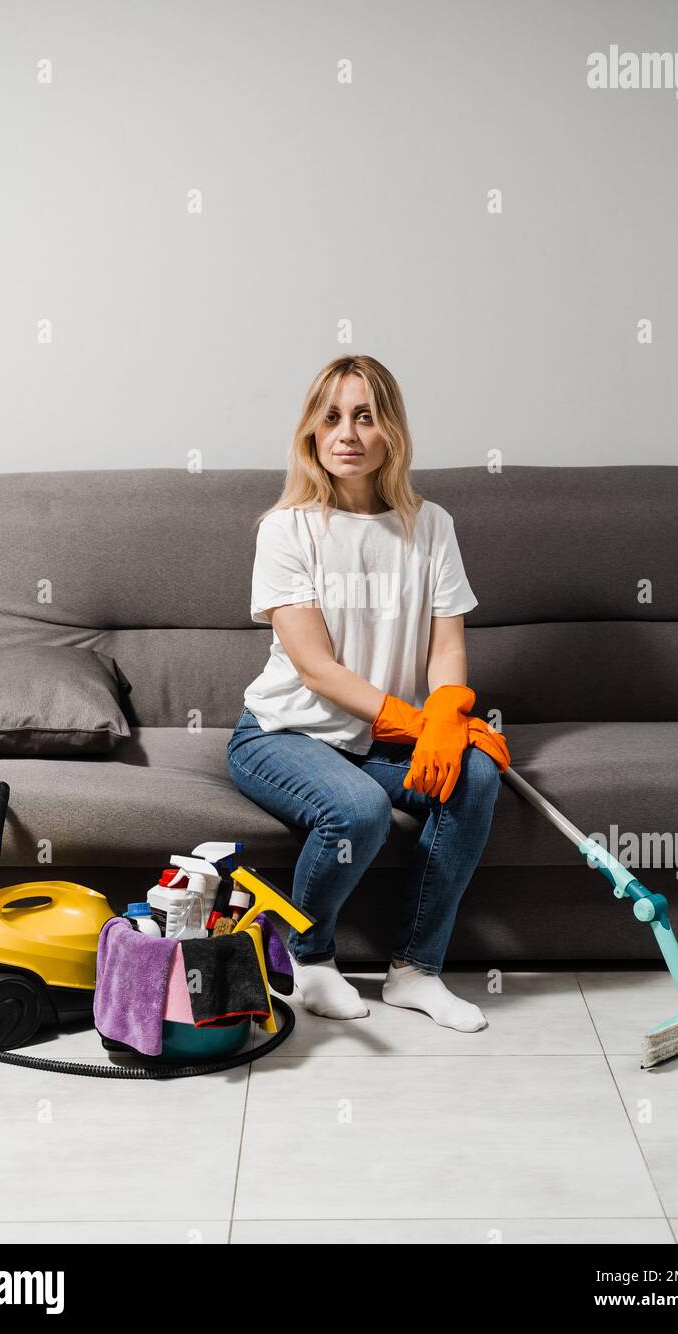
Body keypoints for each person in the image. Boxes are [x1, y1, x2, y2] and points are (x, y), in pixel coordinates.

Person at [226, 354, 510, 1031]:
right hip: (282, 735)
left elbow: (446, 646)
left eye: (365, 416)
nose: (347, 433)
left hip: (376, 738)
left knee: (475, 772)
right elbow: (317, 668)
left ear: (391, 433)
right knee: (358, 810)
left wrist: (446, 713)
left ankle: (416, 970)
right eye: (331, 418)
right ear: (311, 436)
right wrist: (417, 724)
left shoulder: (430, 525)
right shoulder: (286, 528)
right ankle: (310, 960)